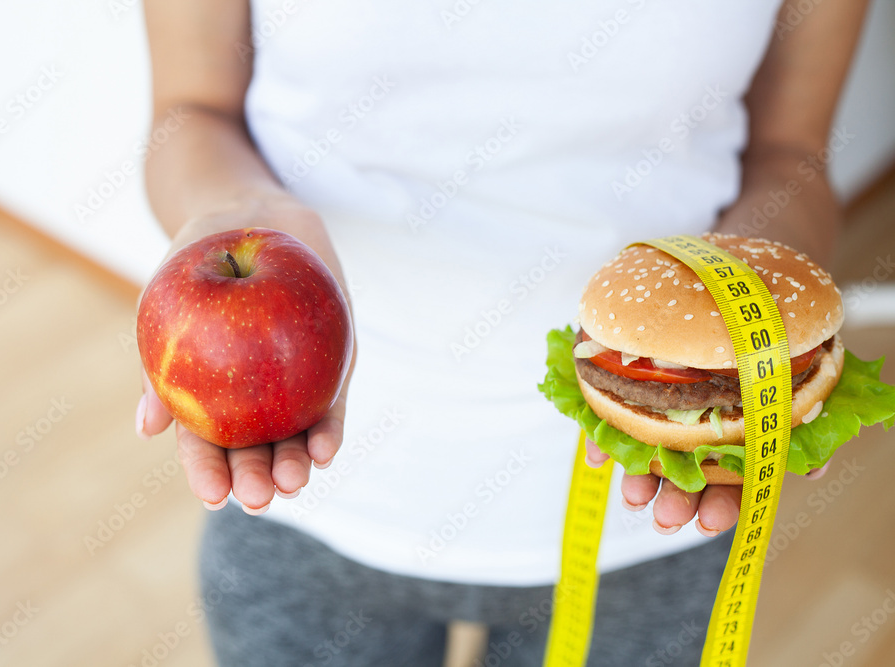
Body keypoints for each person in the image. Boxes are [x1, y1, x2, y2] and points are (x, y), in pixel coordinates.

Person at [134, 1, 869, 664]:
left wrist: (746, 324)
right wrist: (243, 213)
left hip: (649, 518)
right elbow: (192, 108)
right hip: (306, 487)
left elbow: (790, 153)